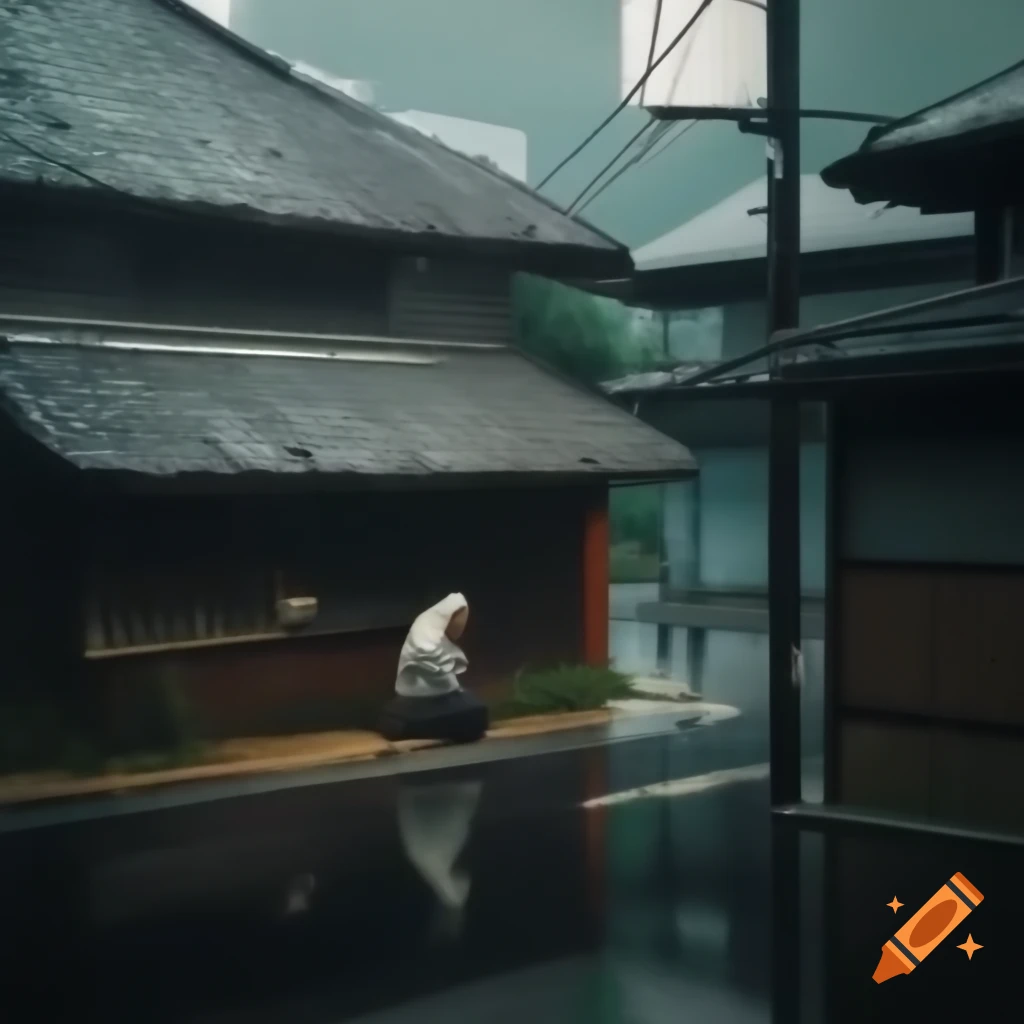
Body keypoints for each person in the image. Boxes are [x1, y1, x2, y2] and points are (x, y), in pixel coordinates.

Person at [378, 593, 489, 744]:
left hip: (445, 693)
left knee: (473, 709)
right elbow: (423, 651)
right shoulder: (424, 626)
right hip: (420, 691)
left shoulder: (439, 631)